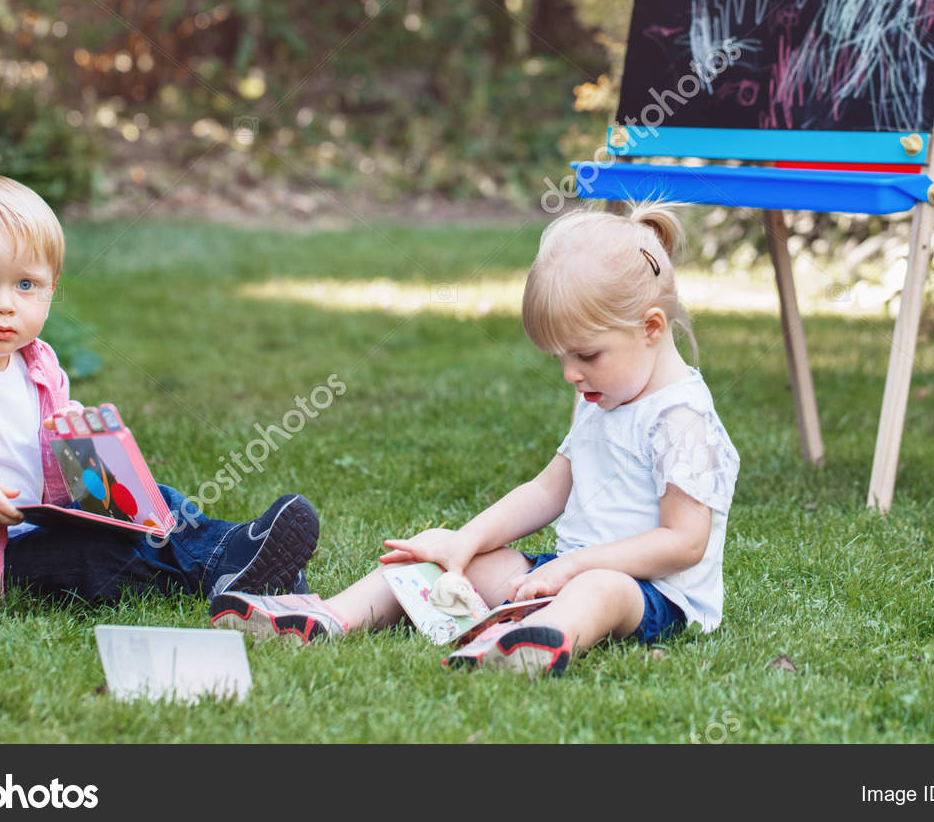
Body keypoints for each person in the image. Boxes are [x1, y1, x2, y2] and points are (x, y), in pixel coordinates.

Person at [210, 202, 739, 676]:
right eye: (561, 359)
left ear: (650, 328)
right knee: (439, 556)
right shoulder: (604, 394)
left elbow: (683, 543)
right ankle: (329, 617)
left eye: (586, 355)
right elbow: (547, 491)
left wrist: (576, 567)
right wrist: (465, 541)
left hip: (652, 597)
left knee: (599, 589)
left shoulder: (681, 420)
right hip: (560, 572)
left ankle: (538, 642)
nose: (571, 376)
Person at [0, 175, 319, 609]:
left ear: (50, 291)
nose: (5, 304)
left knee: (158, 502)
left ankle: (232, 548)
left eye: (26, 284)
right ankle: (226, 576)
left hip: (40, 523)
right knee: (92, 559)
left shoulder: (41, 364)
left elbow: (65, 481)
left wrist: (94, 451)